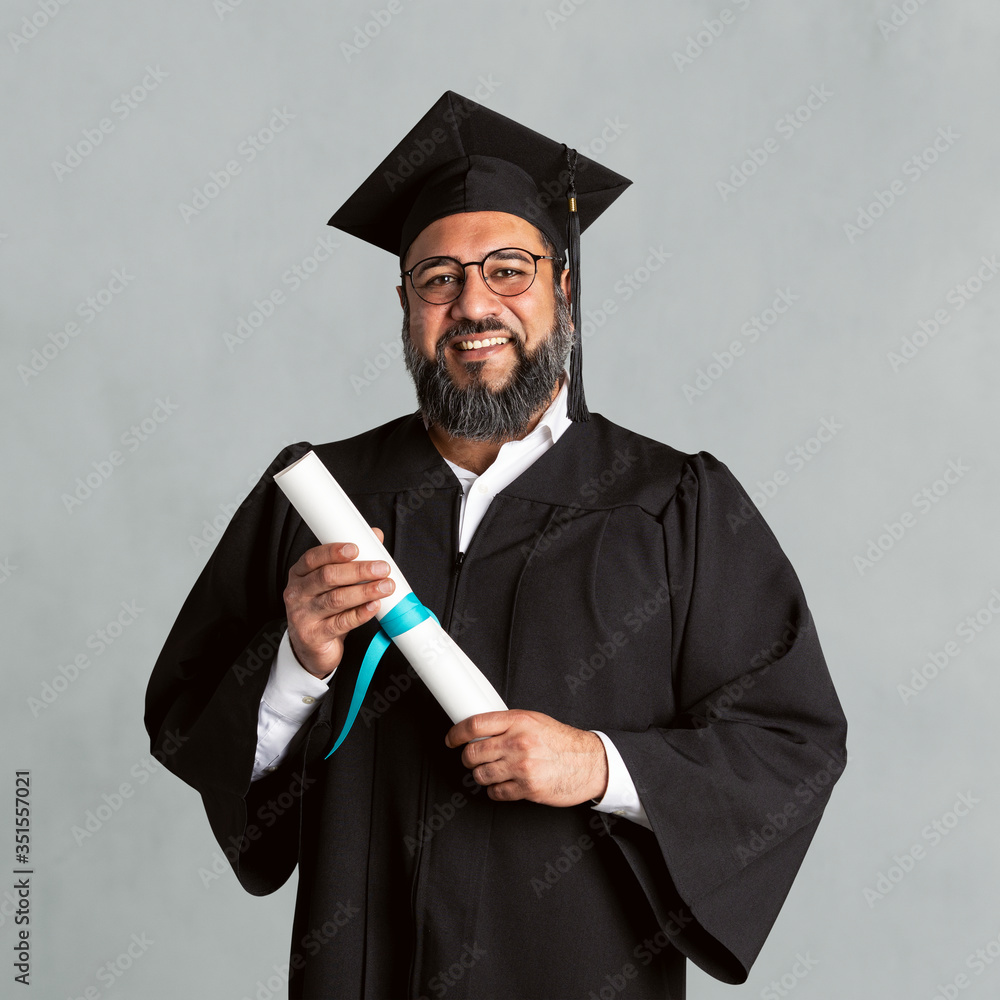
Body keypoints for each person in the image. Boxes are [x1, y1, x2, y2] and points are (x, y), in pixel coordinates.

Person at [146, 91, 848, 1000]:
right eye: (439, 278)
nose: (474, 303)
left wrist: (600, 765)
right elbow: (190, 725)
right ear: (406, 305)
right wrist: (297, 662)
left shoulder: (673, 505)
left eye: (508, 270)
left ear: (562, 288)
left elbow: (789, 744)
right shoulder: (322, 501)